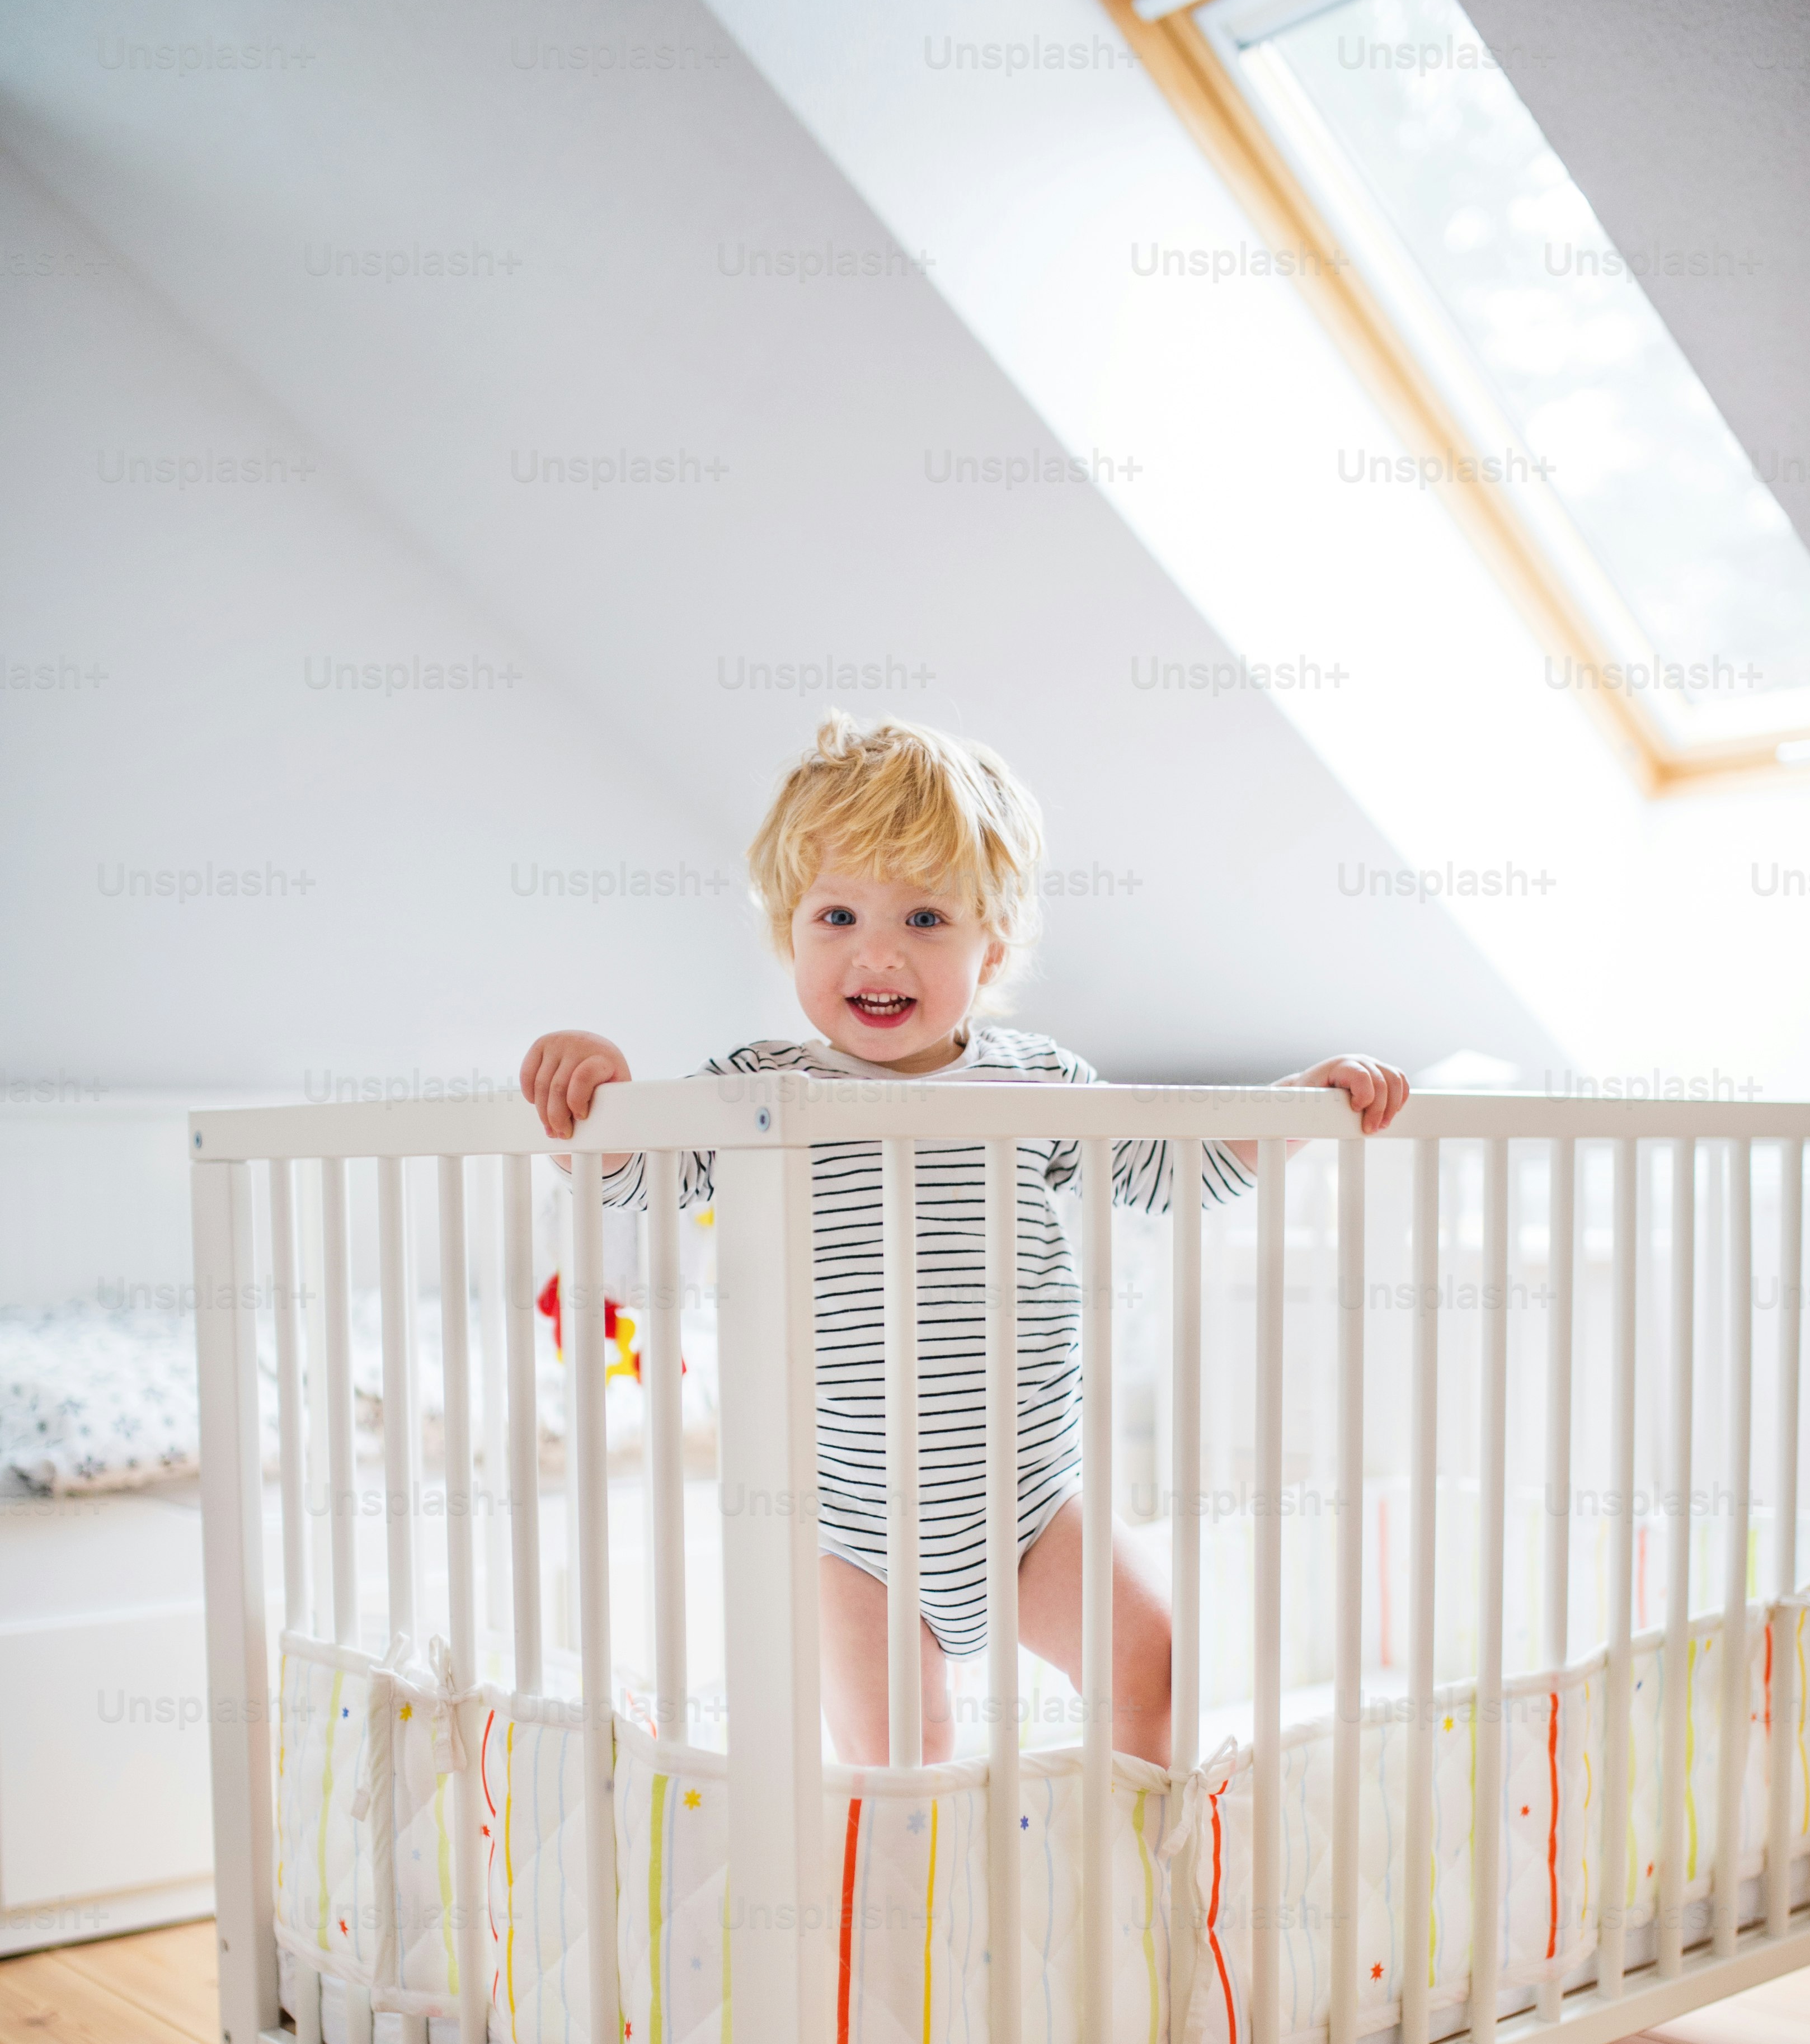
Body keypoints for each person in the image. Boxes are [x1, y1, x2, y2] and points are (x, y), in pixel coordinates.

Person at [522, 712, 1406, 1767]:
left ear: (991, 947)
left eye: (926, 918)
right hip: (847, 1526)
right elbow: (642, 1180)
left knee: (1157, 1655)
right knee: (902, 1749)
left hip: (1033, 1509)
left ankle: (1133, 1856)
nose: (878, 951)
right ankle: (913, 1874)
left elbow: (1167, 1169)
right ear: (791, 933)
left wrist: (1297, 1110)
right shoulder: (762, 1090)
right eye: (838, 914)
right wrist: (596, 1103)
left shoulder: (1036, 1084)